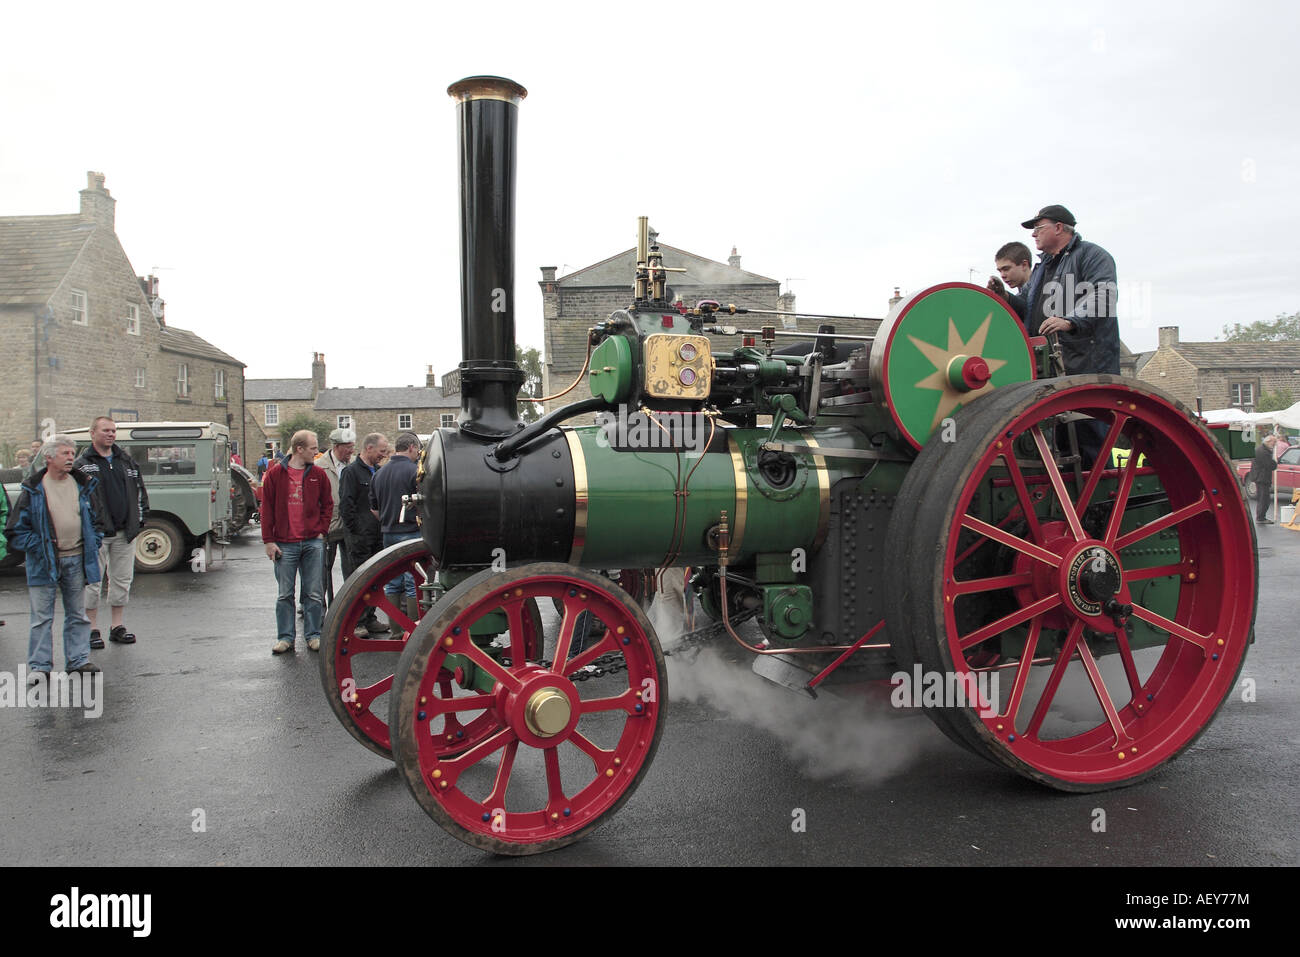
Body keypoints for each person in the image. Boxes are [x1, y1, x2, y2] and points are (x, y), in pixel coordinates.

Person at [1020, 205, 1119, 466]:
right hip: (1051, 367)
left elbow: (1104, 295)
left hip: (1085, 362)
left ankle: (1100, 497)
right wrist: (1003, 296)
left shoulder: (1092, 255)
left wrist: (1070, 321)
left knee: (1089, 434)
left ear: (1059, 228)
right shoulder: (1042, 269)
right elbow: (1024, 306)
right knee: (1061, 441)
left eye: (1038, 228)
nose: (1033, 235)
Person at [4, 436, 104, 684]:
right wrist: (39, 547)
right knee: (41, 618)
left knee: (77, 614)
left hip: (76, 559)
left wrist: (95, 539)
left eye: (72, 453)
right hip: (43, 562)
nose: (71, 457)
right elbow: (15, 531)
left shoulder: (82, 483)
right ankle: (39, 667)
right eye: (65, 454)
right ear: (49, 458)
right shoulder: (33, 488)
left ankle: (78, 661)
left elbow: (96, 518)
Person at [74, 416, 150, 648]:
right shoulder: (82, 464)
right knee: (92, 583)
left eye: (113, 430)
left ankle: (117, 626)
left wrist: (139, 521)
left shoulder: (126, 461)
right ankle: (91, 628)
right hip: (96, 535)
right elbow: (76, 499)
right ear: (92, 433)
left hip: (124, 532)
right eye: (105, 430)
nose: (111, 434)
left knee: (122, 580)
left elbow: (140, 493)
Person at [260, 429, 333, 654]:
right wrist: (268, 541)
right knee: (285, 594)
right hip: (284, 543)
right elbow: (266, 509)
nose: (316, 452)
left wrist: (320, 530)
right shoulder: (274, 475)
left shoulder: (318, 475)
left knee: (313, 592)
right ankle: (285, 637)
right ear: (299, 449)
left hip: (312, 541)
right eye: (313, 448)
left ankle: (314, 635)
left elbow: (328, 504)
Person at [369, 432, 421, 636]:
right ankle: (413, 630)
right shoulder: (415, 471)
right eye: (417, 449)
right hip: (411, 531)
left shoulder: (379, 473)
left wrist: (387, 520)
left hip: (388, 533)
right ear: (411, 448)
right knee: (412, 581)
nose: (418, 453)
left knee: (392, 583)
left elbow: (373, 508)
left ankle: (396, 631)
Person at [339, 432, 389, 636]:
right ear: (369, 448)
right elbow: (346, 504)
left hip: (377, 535)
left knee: (374, 580)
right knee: (358, 580)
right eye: (381, 451)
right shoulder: (351, 472)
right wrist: (356, 531)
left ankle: (370, 618)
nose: (383, 455)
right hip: (360, 537)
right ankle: (357, 622)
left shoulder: (378, 471)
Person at [316, 427, 355, 607]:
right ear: (337, 446)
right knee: (323, 569)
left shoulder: (353, 464)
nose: (351, 450)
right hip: (328, 525)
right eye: (348, 447)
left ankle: (349, 606)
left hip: (348, 525)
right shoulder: (319, 467)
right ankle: (318, 605)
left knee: (351, 568)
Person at [985, 241, 1034, 322]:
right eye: (1000, 271)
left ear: (1024, 265)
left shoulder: (1042, 293)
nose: (1002, 275)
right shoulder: (1020, 296)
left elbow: (1027, 311)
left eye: (1006, 269)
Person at [1250, 434, 1279, 525]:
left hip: (1261, 477)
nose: (1275, 444)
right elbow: (1270, 465)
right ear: (1268, 441)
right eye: (1274, 442)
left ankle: (1261, 517)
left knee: (1264, 498)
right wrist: (1274, 463)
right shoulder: (1263, 451)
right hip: (1262, 478)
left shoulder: (1262, 450)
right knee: (1264, 499)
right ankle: (1261, 517)